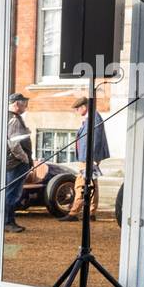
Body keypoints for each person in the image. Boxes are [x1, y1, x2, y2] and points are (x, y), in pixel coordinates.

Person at [62, 94, 111, 222]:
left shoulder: (94, 118)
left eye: (77, 109)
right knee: (93, 183)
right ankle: (91, 212)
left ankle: (74, 213)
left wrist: (93, 158)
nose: (76, 111)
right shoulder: (91, 117)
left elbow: (96, 139)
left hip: (89, 158)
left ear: (84, 107)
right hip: (88, 157)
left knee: (80, 184)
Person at [4, 92, 33, 233]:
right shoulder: (14, 119)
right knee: (12, 193)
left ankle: (9, 221)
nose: (25, 106)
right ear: (16, 104)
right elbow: (14, 144)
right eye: (23, 103)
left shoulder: (9, 117)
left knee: (11, 192)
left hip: (13, 162)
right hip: (16, 163)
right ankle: (7, 222)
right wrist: (25, 158)